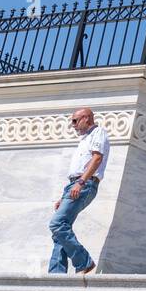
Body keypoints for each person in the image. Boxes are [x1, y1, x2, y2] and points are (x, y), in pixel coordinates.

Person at [48, 107, 110, 274]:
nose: (72, 125)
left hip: (85, 183)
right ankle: (56, 273)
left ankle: (84, 262)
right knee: (61, 229)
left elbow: (97, 158)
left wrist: (81, 182)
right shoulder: (85, 138)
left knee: (57, 224)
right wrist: (65, 195)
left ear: (86, 118)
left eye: (75, 121)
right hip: (74, 184)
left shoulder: (98, 132)